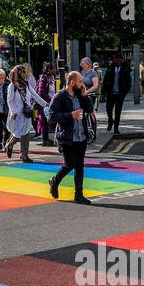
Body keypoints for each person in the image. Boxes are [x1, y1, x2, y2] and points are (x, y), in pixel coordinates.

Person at [47, 70, 93, 205]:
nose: (82, 84)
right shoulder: (60, 97)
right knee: (69, 165)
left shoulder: (80, 95)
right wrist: (69, 115)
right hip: (68, 137)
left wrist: (85, 96)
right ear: (72, 83)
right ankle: (54, 181)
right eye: (80, 82)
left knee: (80, 166)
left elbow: (90, 110)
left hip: (81, 136)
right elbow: (52, 117)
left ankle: (78, 194)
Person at [5, 65, 49, 163]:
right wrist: (13, 112)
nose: (25, 74)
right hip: (17, 114)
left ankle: (24, 156)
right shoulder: (12, 86)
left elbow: (35, 95)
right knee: (17, 135)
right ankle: (9, 144)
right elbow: (9, 100)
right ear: (18, 73)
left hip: (27, 113)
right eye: (23, 72)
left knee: (26, 134)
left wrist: (45, 104)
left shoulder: (26, 84)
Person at [100, 52, 132, 135]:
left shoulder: (125, 68)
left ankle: (116, 128)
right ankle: (110, 120)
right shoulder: (110, 68)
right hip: (111, 93)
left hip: (120, 94)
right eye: (117, 60)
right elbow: (105, 80)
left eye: (120, 60)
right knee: (108, 109)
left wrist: (125, 91)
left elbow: (129, 81)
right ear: (114, 60)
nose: (119, 61)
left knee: (118, 112)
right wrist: (103, 92)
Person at [37, 63, 59, 146]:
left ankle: (47, 139)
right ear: (49, 69)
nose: (55, 70)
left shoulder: (52, 78)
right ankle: (45, 140)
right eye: (53, 69)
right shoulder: (44, 78)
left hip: (51, 102)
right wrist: (49, 101)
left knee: (47, 121)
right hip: (45, 103)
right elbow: (41, 92)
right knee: (44, 121)